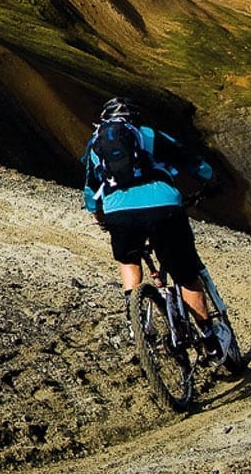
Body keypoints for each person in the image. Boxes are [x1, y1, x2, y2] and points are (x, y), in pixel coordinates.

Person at [81, 97, 235, 360]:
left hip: (118, 212)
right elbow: (189, 160)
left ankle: (135, 318)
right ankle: (210, 339)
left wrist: (101, 218)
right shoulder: (147, 135)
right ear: (134, 119)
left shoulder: (96, 146)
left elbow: (90, 187)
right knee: (186, 274)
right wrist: (211, 181)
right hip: (164, 208)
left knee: (129, 261)